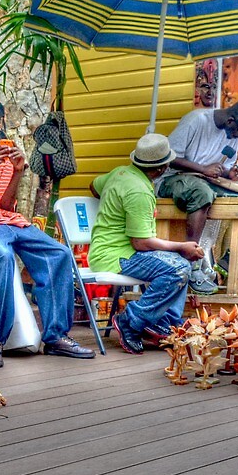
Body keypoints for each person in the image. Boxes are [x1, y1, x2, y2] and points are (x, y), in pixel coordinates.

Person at [0, 97, 94, 368]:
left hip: (6, 220)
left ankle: (56, 336)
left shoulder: (2, 155)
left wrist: (17, 173)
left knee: (59, 252)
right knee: (2, 256)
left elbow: (5, 205)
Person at [89, 134, 205, 355]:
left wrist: (113, 206)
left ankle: (164, 323)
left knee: (180, 263)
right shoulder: (138, 191)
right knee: (179, 268)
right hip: (115, 254)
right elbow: (141, 243)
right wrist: (182, 245)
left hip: (114, 248)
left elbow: (94, 187)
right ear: (162, 168)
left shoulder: (120, 173)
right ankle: (131, 321)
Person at [156, 99, 238, 293]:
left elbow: (222, 168)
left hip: (205, 181)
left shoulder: (232, 133)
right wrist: (203, 169)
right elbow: (168, 158)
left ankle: (226, 262)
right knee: (201, 193)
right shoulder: (196, 121)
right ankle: (192, 264)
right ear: (230, 121)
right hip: (173, 179)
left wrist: (230, 174)